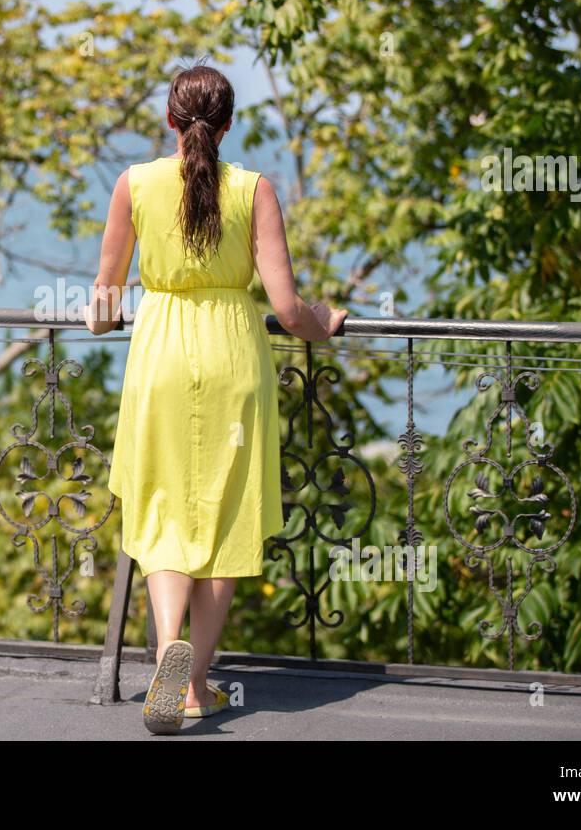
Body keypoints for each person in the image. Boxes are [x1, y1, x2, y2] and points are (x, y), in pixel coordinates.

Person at [83, 62, 347, 734]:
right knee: (226, 518)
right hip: (233, 356)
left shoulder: (134, 184)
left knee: (165, 508)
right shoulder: (253, 189)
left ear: (170, 121)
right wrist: (327, 321)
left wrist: (98, 317)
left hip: (162, 356)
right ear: (227, 125)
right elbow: (288, 309)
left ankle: (168, 651)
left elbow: (105, 304)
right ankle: (195, 683)